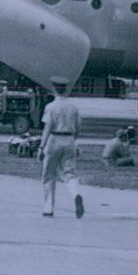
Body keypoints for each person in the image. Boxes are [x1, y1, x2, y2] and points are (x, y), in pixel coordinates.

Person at [39, 76, 83, 218]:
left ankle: (48, 208)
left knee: (49, 175)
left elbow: (47, 128)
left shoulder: (51, 107)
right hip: (69, 139)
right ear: (65, 89)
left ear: (53, 88)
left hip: (54, 138)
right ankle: (76, 194)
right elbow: (78, 127)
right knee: (70, 172)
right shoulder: (73, 107)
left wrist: (41, 146)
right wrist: (73, 141)